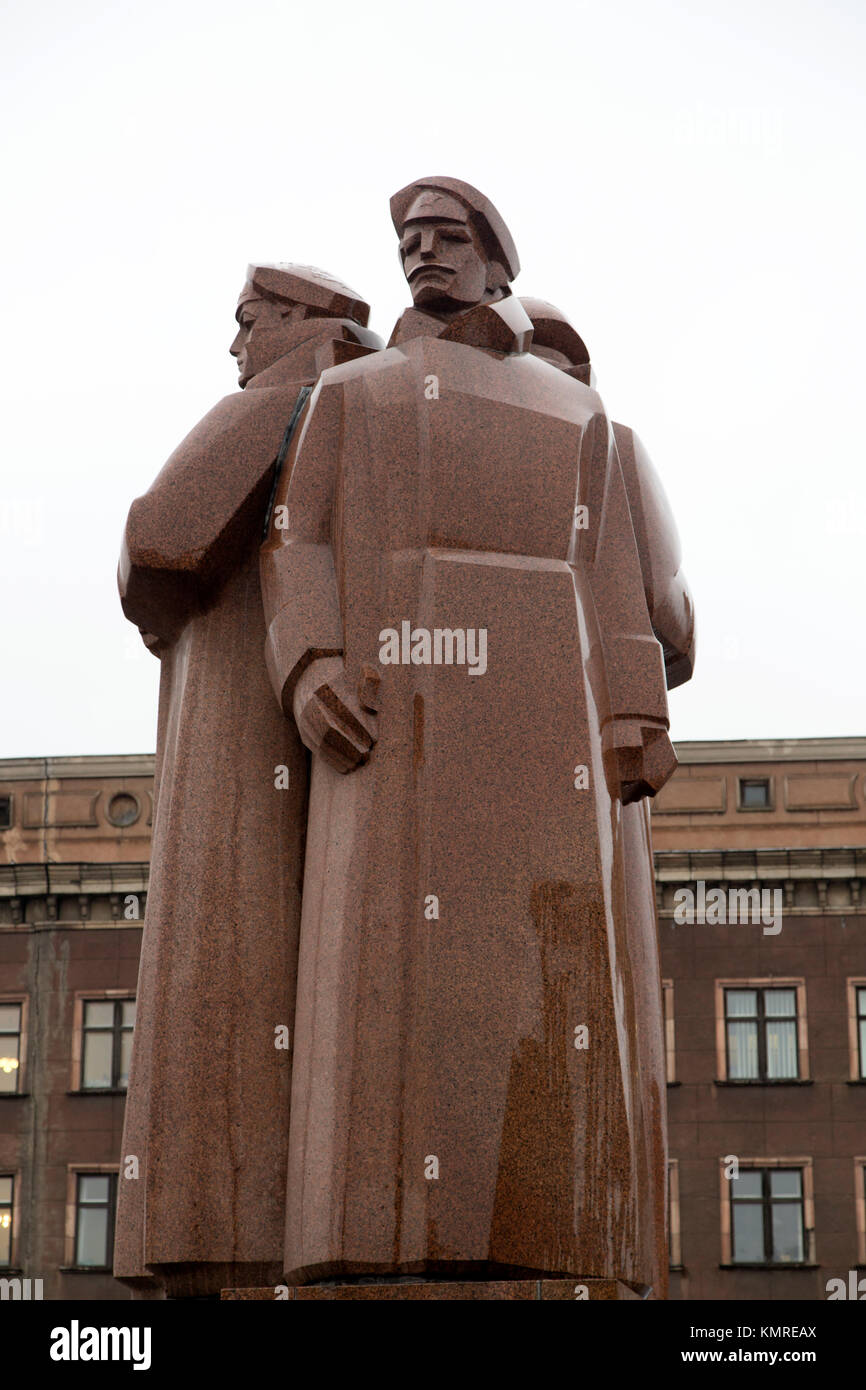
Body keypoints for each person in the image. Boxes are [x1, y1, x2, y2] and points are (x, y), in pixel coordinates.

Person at [259, 179, 695, 1296]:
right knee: (380, 975)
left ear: (498, 264)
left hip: (546, 704)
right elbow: (296, 542)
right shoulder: (353, 394)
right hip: (390, 701)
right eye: (407, 240)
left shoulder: (576, 415)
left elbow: (612, 578)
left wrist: (634, 707)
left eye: (446, 238)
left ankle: (536, 1228)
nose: (422, 255)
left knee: (543, 974)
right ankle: (377, 1233)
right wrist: (308, 662)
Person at [114, 264, 381, 1298]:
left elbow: (161, 541)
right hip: (310, 723)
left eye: (248, 323)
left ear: (306, 324)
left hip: (235, 712)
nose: (233, 347)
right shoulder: (374, 406)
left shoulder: (284, 398)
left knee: (220, 949)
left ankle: (213, 1228)